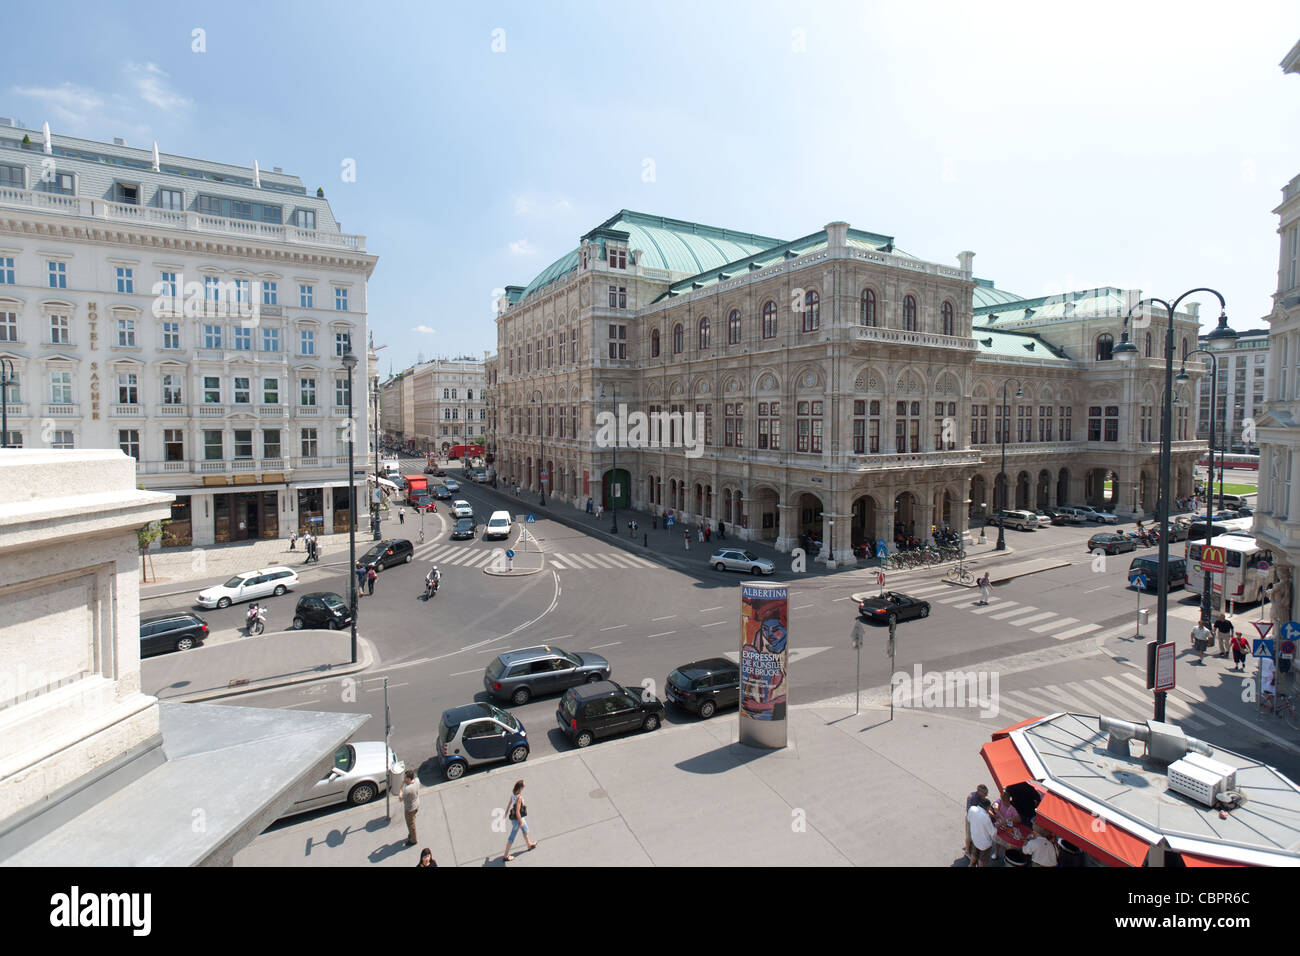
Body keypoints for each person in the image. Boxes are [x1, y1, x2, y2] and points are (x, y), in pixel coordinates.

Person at [503, 779, 537, 861]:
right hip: (517, 819)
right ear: (520, 788)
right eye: (523, 787)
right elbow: (518, 812)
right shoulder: (519, 798)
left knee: (525, 830)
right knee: (512, 836)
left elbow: (509, 803)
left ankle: (529, 844)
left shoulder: (513, 794)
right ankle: (506, 855)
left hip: (518, 818)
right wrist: (520, 822)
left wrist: (506, 812)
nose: (523, 789)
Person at [967, 797, 996, 868]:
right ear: (987, 807)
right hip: (984, 844)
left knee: (974, 854)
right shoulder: (986, 818)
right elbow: (993, 832)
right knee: (981, 859)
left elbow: (969, 819)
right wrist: (997, 825)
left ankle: (970, 865)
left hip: (975, 839)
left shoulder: (972, 809)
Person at [963, 784, 988, 857]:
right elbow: (969, 810)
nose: (986, 795)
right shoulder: (971, 797)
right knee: (969, 836)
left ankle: (973, 849)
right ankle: (967, 851)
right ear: (979, 791)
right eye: (985, 793)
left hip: (978, 820)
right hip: (971, 819)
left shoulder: (982, 797)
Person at [399, 769, 420, 846]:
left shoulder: (407, 789)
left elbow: (400, 799)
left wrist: (401, 789)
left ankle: (413, 839)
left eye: (405, 777)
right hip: (417, 803)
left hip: (410, 808)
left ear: (408, 778)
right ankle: (411, 834)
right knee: (412, 821)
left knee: (411, 824)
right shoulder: (417, 780)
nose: (404, 779)